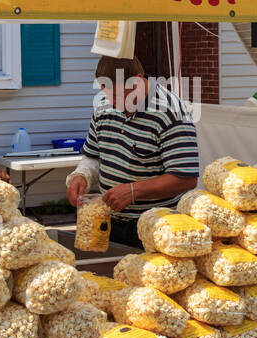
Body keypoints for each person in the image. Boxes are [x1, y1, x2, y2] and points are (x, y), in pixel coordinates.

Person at [66, 55, 200, 247]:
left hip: (157, 226)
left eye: (119, 95)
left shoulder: (172, 113)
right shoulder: (104, 107)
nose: (112, 102)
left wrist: (133, 191)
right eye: (107, 94)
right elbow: (93, 155)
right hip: (108, 221)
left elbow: (185, 178)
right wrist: (82, 175)